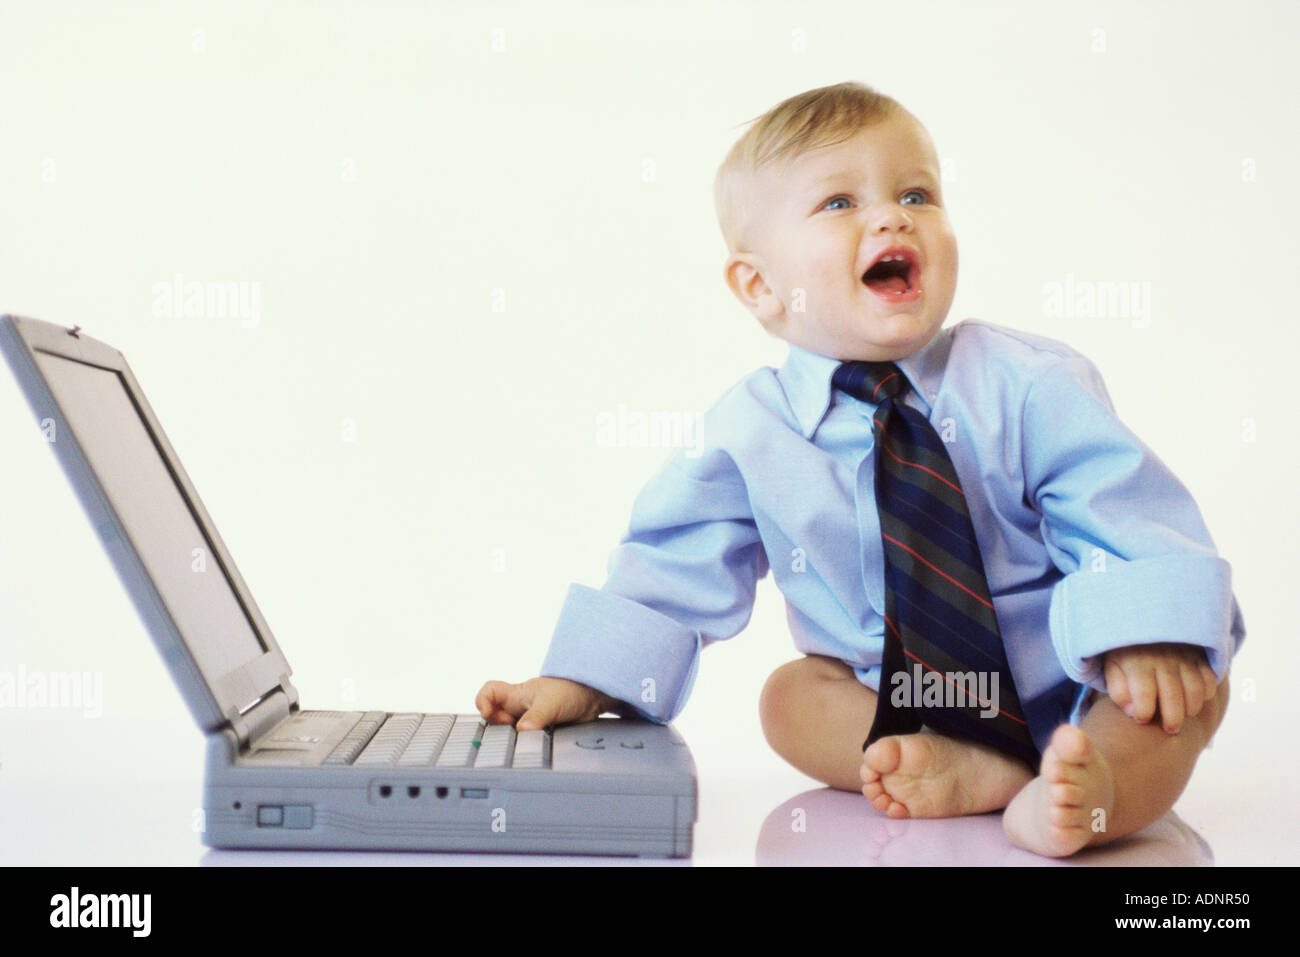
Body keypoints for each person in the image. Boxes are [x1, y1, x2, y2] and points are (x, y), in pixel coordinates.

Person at [475, 82, 1243, 857]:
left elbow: (1110, 499)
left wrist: (1147, 632)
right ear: (762, 286)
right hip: (896, 705)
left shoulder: (1025, 382)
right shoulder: (752, 431)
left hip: (1070, 689)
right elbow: (676, 559)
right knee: (790, 698)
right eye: (840, 203)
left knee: (1181, 695)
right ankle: (974, 768)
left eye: (917, 193)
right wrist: (587, 677)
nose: (891, 214)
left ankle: (1096, 787)